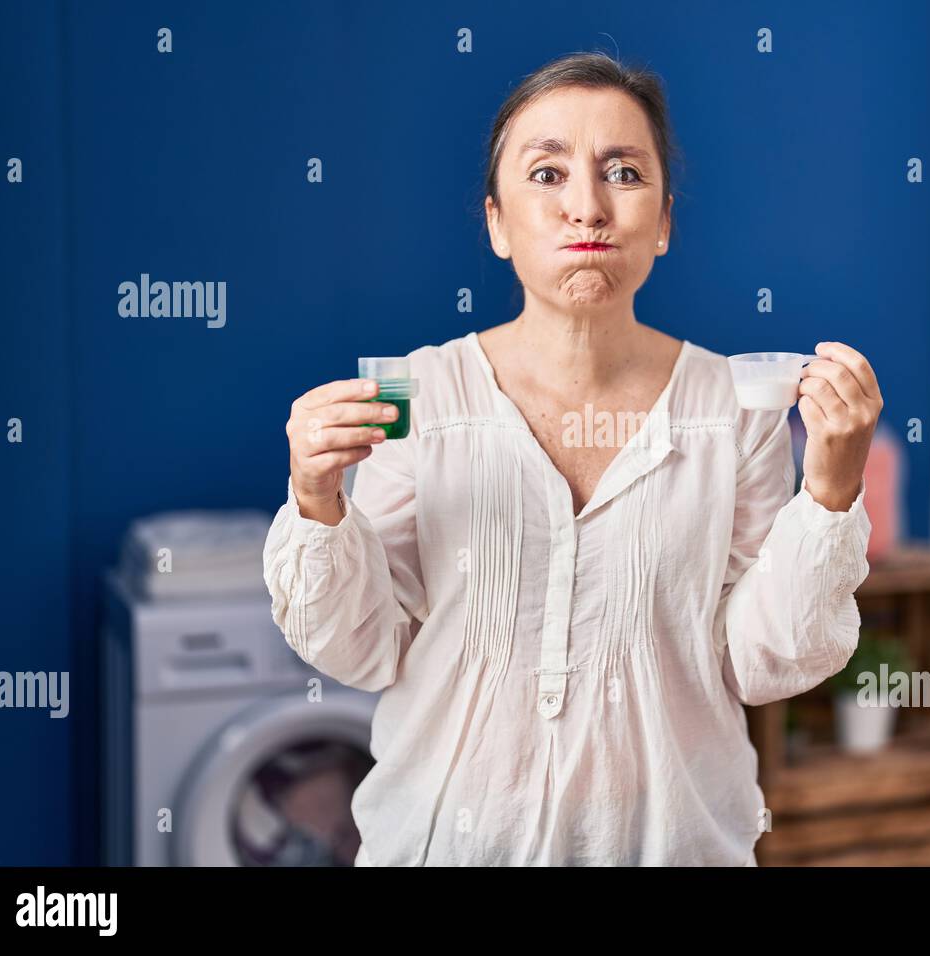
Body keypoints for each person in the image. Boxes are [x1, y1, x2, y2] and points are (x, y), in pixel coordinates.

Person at [263, 51, 881, 866]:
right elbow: (365, 647)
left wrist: (832, 490)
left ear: (662, 222)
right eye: (548, 174)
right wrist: (316, 500)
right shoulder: (420, 396)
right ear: (496, 222)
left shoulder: (735, 408)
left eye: (623, 172)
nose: (586, 208)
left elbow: (762, 660)